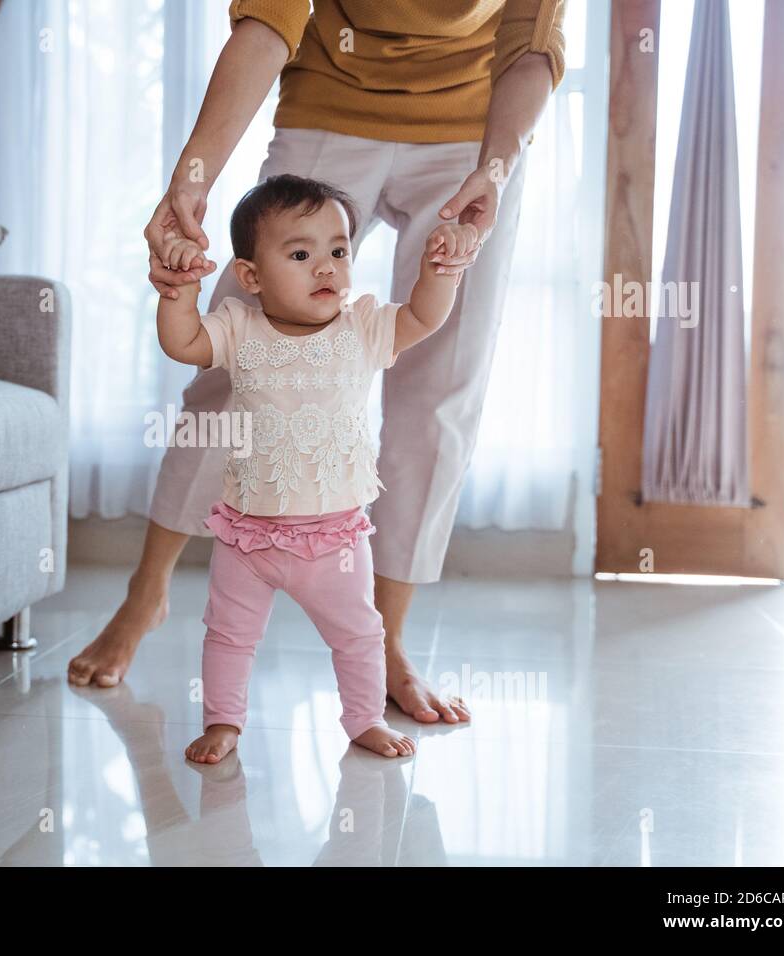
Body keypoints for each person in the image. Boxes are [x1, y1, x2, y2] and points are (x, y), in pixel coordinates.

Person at [69, 0, 566, 726]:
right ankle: (146, 595)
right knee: (230, 371)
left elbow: (532, 42)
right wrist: (192, 177)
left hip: (475, 130)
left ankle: (385, 640)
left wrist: (496, 167)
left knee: (442, 386)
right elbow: (269, 15)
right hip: (331, 103)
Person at [158, 174, 478, 760]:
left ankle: (362, 719)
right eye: (301, 254)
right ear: (251, 276)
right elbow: (182, 344)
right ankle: (223, 721)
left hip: (335, 539)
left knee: (360, 635)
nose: (326, 267)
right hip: (247, 536)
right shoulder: (237, 326)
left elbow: (424, 319)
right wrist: (176, 291)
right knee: (228, 635)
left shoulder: (363, 326)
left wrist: (441, 271)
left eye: (338, 251)